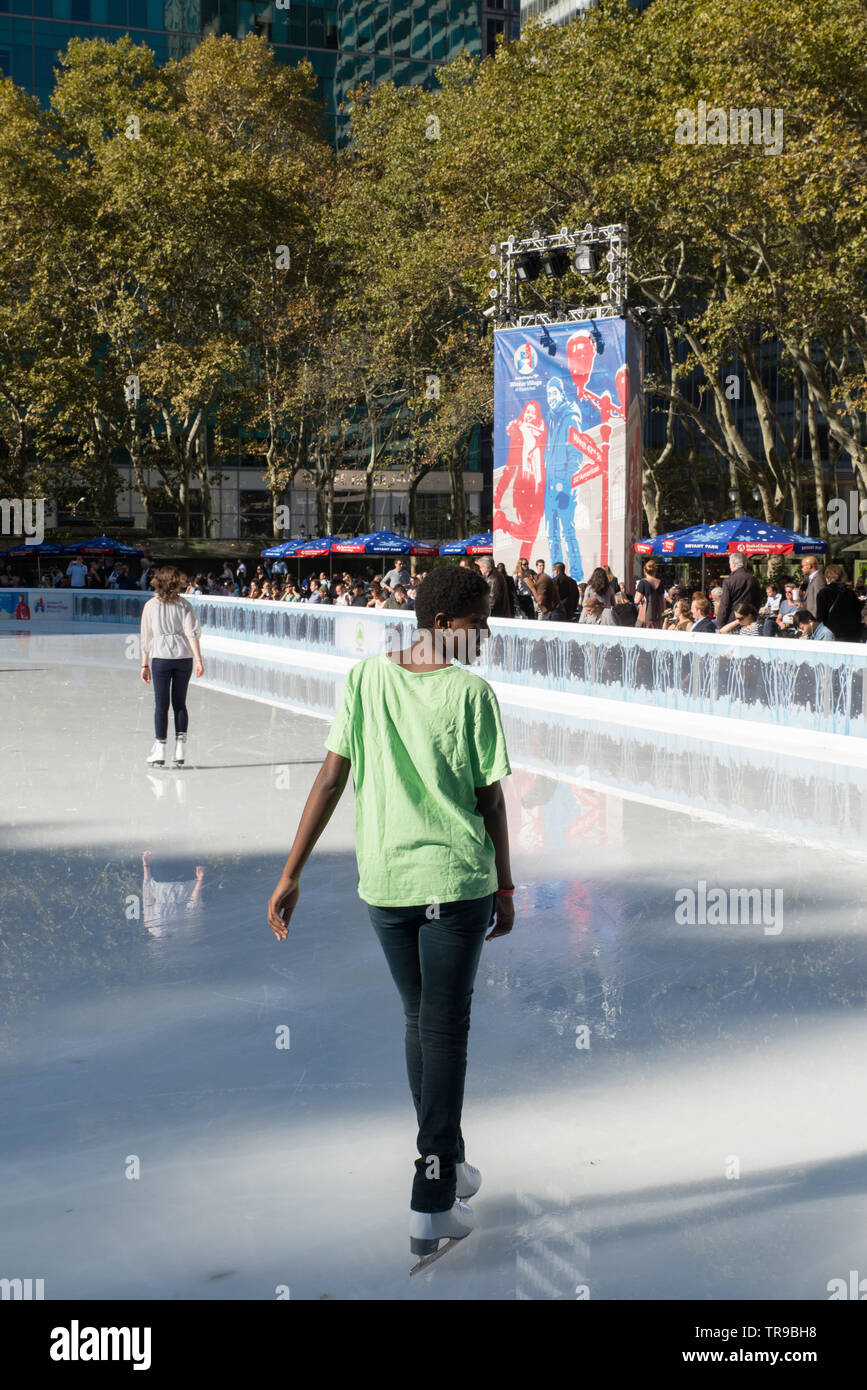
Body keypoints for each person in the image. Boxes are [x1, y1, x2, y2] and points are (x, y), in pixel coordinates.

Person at [266, 565, 514, 1263]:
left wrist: (292, 873)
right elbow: (490, 801)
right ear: (447, 623)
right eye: (480, 620)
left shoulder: (365, 680)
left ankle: (450, 1162)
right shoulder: (472, 693)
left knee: (421, 1022)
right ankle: (432, 1193)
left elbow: (330, 775)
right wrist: (505, 887)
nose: (488, 633)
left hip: (386, 881)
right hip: (456, 881)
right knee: (442, 1027)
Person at [140, 566, 204, 767]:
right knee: (179, 703)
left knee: (161, 704)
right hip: (184, 657)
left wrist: (144, 664)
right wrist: (199, 659)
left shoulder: (150, 606)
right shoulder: (185, 605)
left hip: (161, 657)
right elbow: (191, 633)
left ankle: (160, 750)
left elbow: (146, 637)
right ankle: (180, 748)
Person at [714, 554, 762, 631]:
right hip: (749, 621)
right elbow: (758, 601)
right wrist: (753, 618)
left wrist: (720, 626)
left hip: (732, 622)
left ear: (733, 564)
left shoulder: (729, 581)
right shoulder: (753, 580)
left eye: (730, 565)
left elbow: (724, 605)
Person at [815, 564, 862, 642]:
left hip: (833, 634)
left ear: (826, 578)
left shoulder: (824, 593)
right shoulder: (850, 592)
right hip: (852, 634)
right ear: (841, 577)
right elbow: (858, 612)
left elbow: (820, 616)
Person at [634, 560, 665, 628]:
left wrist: (637, 588)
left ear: (644, 571)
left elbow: (636, 600)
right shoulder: (660, 583)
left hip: (644, 619)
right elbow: (663, 603)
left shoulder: (642, 582)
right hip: (657, 618)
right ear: (654, 571)